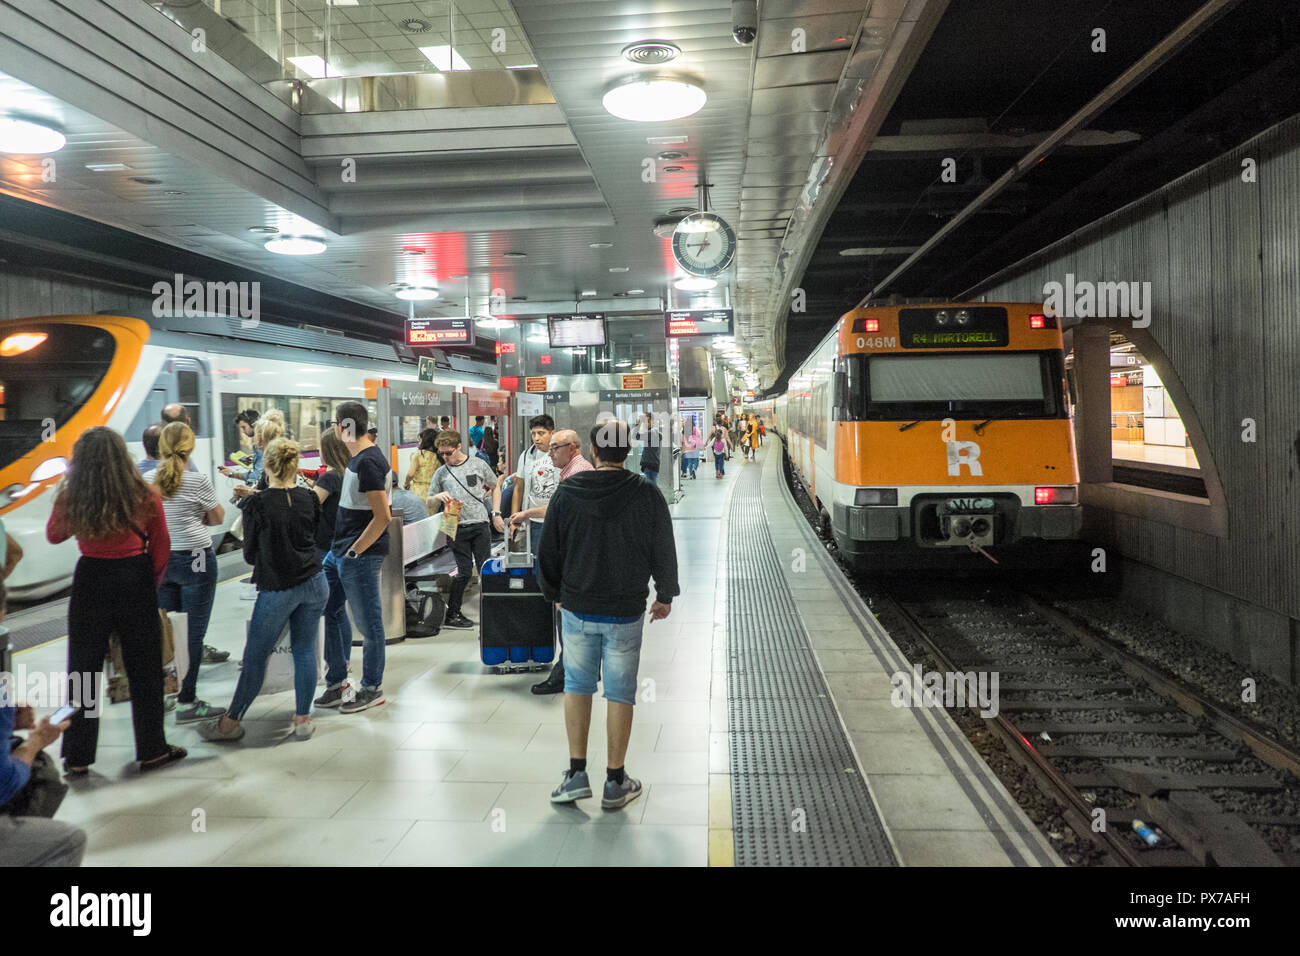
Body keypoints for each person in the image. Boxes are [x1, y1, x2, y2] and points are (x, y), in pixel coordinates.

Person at [539, 420, 679, 810]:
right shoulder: (646, 493)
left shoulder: (567, 492)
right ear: (627, 451)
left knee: (578, 687)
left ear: (595, 452)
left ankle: (576, 774)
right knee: (619, 692)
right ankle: (615, 782)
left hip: (578, 607)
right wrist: (665, 594)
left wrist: (555, 595)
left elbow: (548, 551)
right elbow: (663, 547)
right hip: (625, 610)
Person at [45, 427, 186, 774]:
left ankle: (77, 757)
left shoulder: (72, 496)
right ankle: (153, 751)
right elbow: (162, 545)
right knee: (144, 669)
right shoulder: (144, 495)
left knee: (83, 670)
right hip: (134, 577)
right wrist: (148, 584)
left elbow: (53, 535)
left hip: (90, 578)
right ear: (123, 456)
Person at [199, 438, 328, 742]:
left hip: (278, 587)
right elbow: (317, 537)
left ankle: (230, 723)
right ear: (295, 465)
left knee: (256, 654)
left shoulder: (255, 504)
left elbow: (249, 555)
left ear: (266, 465)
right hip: (315, 582)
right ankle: (302, 720)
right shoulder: (310, 498)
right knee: (305, 649)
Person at [153, 422, 228, 725]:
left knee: (167, 633)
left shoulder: (147, 479)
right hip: (196, 557)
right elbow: (217, 517)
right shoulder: (197, 480)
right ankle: (187, 700)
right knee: (192, 633)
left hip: (162, 561)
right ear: (190, 447)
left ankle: (167, 693)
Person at [329, 402, 392, 714]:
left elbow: (383, 516)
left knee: (369, 625)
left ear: (347, 427)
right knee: (331, 610)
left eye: (336, 424)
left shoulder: (368, 462)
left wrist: (355, 551)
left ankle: (371, 687)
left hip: (358, 557)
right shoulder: (359, 458)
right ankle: (337, 681)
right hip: (340, 552)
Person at [426, 430, 499, 629]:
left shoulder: (478, 464)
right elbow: (429, 498)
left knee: (486, 568)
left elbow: (495, 483)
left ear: (459, 447)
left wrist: (496, 511)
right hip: (455, 527)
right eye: (441, 454)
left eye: (448, 453)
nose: (445, 457)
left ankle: (493, 609)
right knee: (464, 571)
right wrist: (438, 497)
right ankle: (453, 614)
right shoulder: (441, 472)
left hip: (480, 525)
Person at [312, 430, 354, 708]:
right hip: (344, 548)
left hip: (326, 550)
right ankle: (343, 664)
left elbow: (309, 506)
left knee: (330, 612)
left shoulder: (329, 477)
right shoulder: (350, 474)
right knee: (339, 610)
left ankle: (336, 677)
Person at [405, 429, 439, 499]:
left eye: (420, 441)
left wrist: (406, 483)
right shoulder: (439, 456)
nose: (418, 443)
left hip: (418, 492)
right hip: (433, 493)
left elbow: (411, 474)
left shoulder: (418, 454)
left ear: (425, 441)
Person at [636, 412, 662, 487]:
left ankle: (656, 498)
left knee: (652, 486)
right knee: (652, 484)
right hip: (652, 463)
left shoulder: (652, 432)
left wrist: (639, 423)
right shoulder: (654, 431)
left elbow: (636, 436)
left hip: (650, 463)